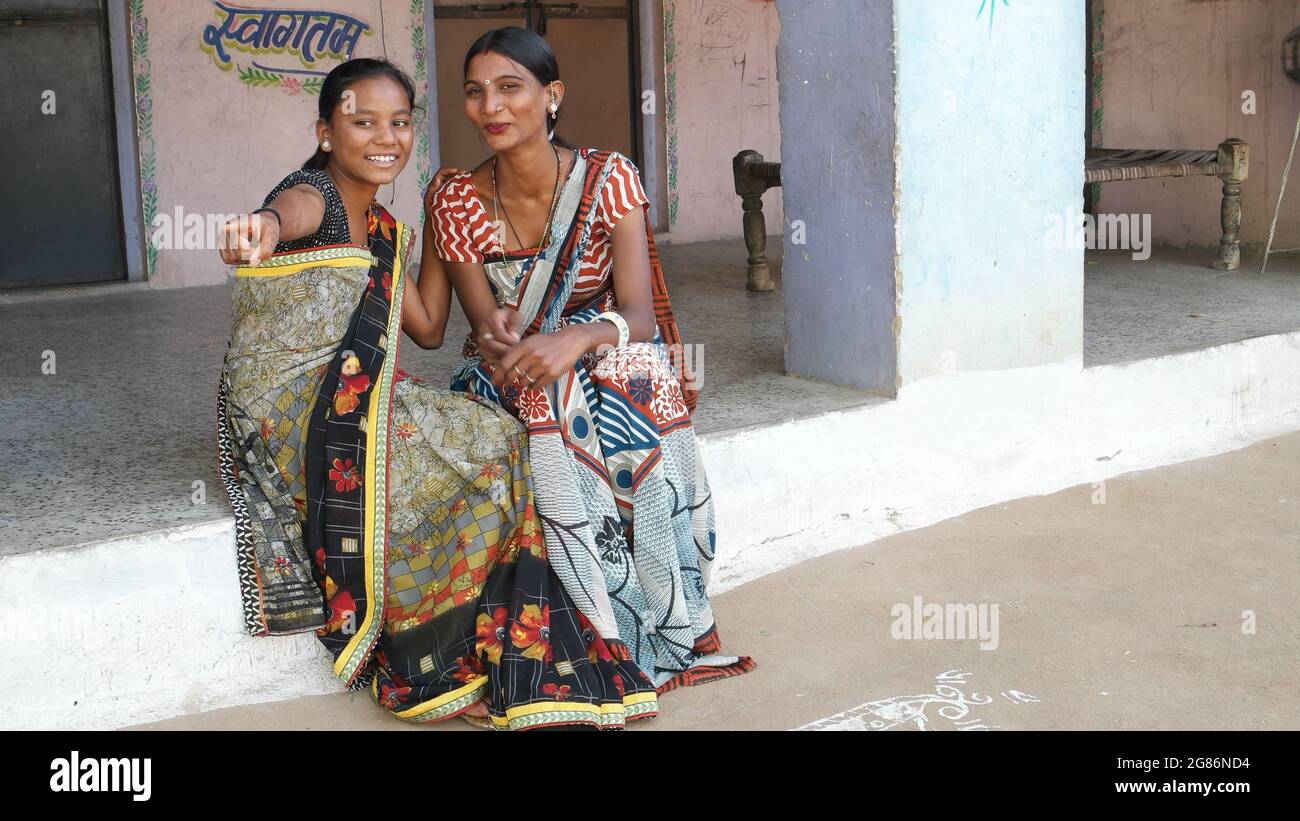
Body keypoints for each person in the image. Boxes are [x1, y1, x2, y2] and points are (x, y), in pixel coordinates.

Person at [217, 57, 660, 730]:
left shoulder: (389, 227)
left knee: (502, 439)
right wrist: (265, 225)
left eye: (398, 122)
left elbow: (425, 325)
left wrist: (447, 241)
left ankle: (486, 643)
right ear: (327, 132)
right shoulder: (315, 193)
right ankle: (432, 660)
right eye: (362, 121)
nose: (384, 137)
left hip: (357, 400)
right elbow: (287, 214)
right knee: (465, 458)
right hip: (294, 411)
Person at [430, 27, 754, 694]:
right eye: (475, 92)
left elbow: (636, 317)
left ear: (552, 96)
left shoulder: (610, 178)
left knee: (637, 373)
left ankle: (666, 607)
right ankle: (604, 626)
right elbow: (484, 331)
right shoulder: (456, 198)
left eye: (510, 88)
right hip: (508, 375)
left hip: (594, 358)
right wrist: (512, 336)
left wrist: (575, 338)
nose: (490, 106)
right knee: (546, 391)